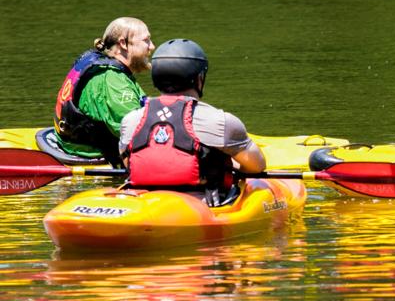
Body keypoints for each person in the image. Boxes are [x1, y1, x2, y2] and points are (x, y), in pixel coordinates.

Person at [118, 39, 266, 206]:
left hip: (141, 203)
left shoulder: (130, 120)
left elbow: (128, 163)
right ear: (199, 78)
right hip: (202, 205)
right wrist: (229, 167)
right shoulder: (220, 121)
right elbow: (256, 166)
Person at [53, 17, 155, 166]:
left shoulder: (107, 67)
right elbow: (135, 132)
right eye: (146, 40)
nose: (152, 46)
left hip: (70, 140)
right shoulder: (113, 81)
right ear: (123, 43)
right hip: (88, 153)